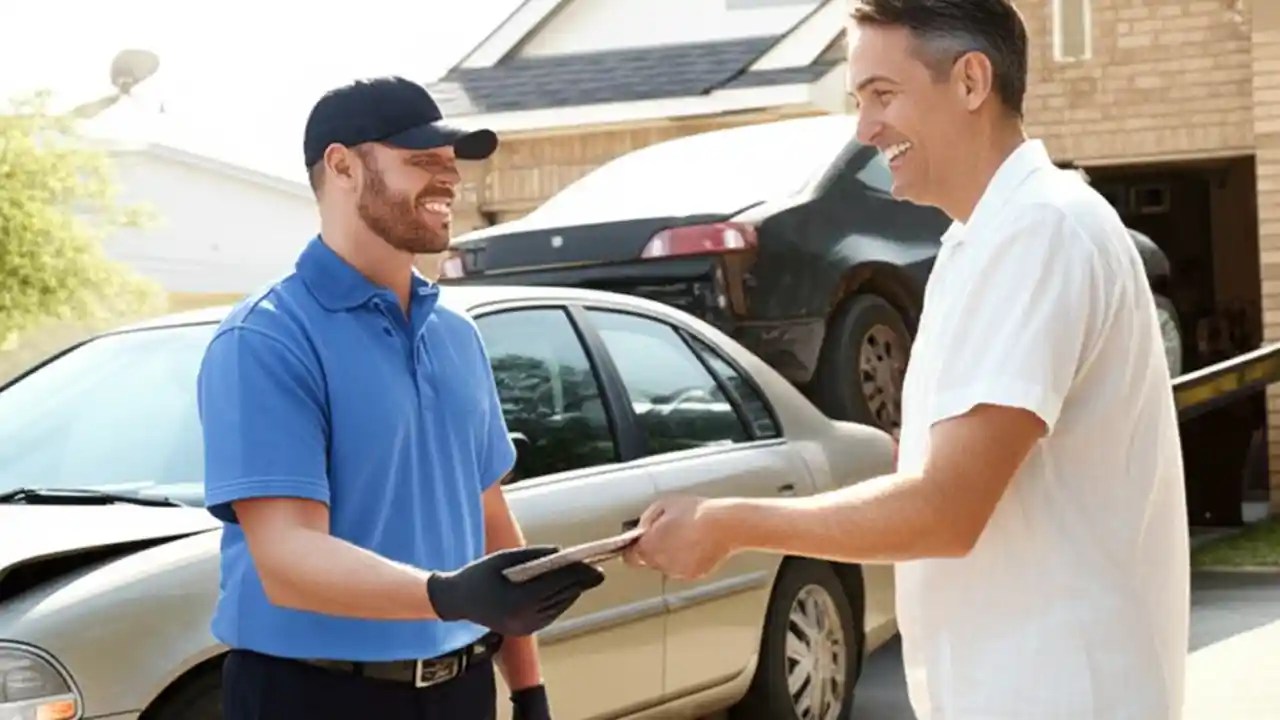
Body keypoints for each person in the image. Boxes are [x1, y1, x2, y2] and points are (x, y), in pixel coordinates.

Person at [623, 1, 1190, 718]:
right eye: (859, 101)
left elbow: (946, 509)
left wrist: (730, 523)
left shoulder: (1039, 232)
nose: (864, 130)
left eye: (883, 95)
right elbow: (954, 472)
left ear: (972, 81)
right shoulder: (977, 241)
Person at [197, 76, 604, 720]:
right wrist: (447, 596)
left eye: (450, 165)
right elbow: (286, 558)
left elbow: (490, 522)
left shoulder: (457, 335)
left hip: (463, 691)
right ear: (343, 167)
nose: (448, 181)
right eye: (421, 161)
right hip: (313, 698)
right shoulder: (267, 337)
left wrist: (529, 691)